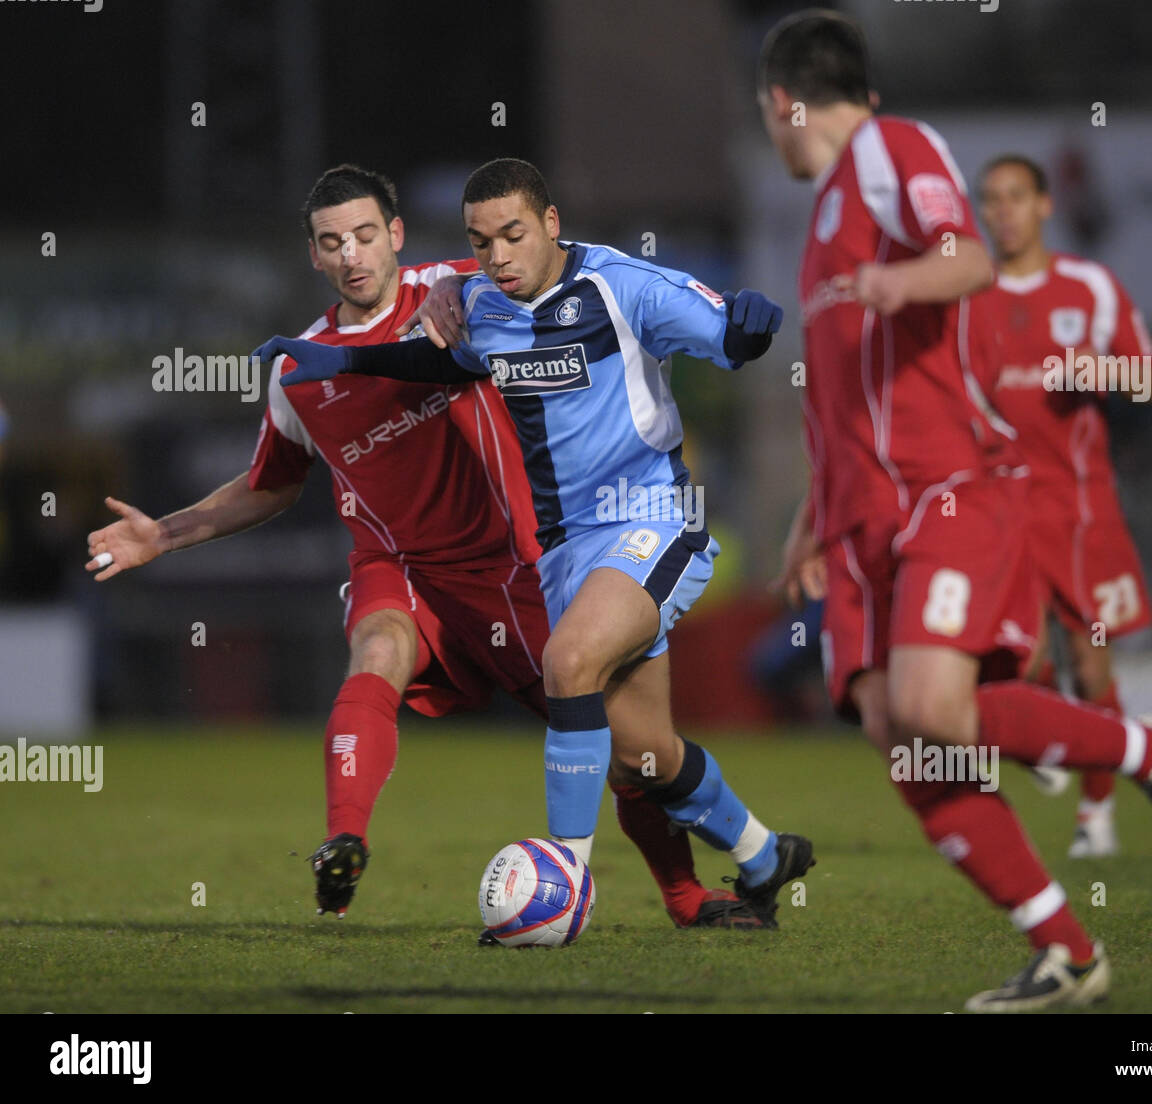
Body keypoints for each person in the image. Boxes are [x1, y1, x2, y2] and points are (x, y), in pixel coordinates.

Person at [85, 164, 762, 932]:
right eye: (332, 242)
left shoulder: (465, 288)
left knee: (633, 752)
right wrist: (163, 534)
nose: (352, 255)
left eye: (366, 236)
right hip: (404, 567)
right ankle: (344, 841)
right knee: (376, 647)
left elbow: (551, 254)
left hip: (524, 563)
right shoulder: (299, 368)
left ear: (396, 237)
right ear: (314, 255)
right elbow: (271, 485)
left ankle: (694, 893)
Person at [757, 9, 1152, 1010]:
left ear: (780, 102)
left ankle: (1149, 751)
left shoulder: (888, 147)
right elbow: (853, 399)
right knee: (912, 737)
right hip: (857, 520)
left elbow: (963, 257)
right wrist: (813, 512)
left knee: (936, 711)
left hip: (943, 493)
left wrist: (897, 277)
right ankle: (1067, 950)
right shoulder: (824, 226)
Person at [252, 157, 816, 927]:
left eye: (513, 235)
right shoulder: (483, 304)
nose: (498, 257)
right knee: (642, 750)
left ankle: (564, 883)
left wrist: (749, 325)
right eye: (481, 243)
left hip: (650, 517)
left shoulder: (624, 286)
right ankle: (762, 855)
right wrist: (342, 358)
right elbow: (436, 361)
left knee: (567, 664)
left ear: (551, 224)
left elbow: (726, 333)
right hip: (563, 549)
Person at [975, 153, 1152, 857]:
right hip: (997, 505)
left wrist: (1099, 369)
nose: (1004, 212)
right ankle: (1043, 742)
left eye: (1016, 197)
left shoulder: (1089, 287)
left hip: (1080, 508)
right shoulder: (967, 294)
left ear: (1045, 205)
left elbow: (1147, 379)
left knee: (1093, 660)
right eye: (991, 200)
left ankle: (1097, 814)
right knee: (1002, 663)